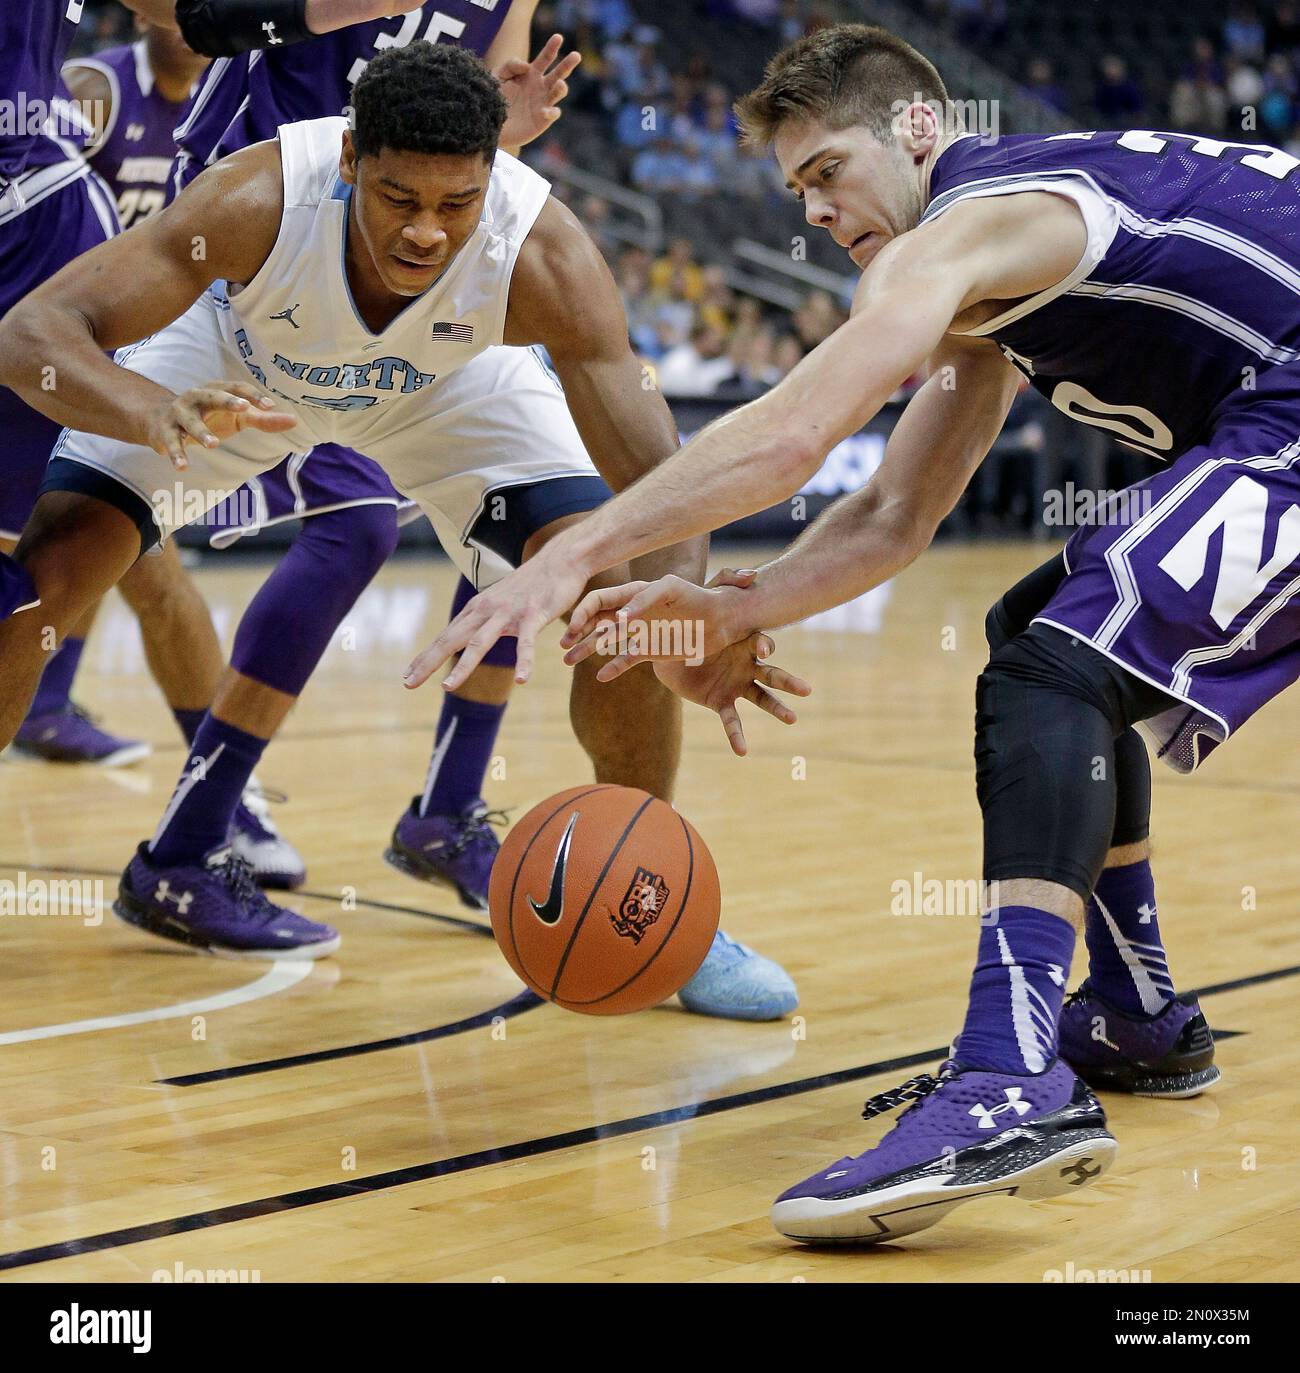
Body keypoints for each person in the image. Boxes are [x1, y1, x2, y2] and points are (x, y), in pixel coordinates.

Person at [408, 21, 1290, 1244]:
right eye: (796, 192)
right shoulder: (1000, 272)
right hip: (1270, 408)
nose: (814, 211)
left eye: (826, 171)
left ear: (918, 130)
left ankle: (1004, 1076)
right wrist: (737, 605)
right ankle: (1135, 1012)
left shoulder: (977, 220)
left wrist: (570, 553)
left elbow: (792, 432)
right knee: (1040, 632)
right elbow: (889, 509)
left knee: (1056, 670)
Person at [0, 42, 798, 1021]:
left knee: (621, 601)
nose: (426, 230)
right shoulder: (253, 200)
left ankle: (657, 897)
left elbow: (659, 473)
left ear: (491, 179)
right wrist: (143, 408)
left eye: (455, 204)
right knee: (47, 574)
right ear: (347, 159)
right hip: (232, 362)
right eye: (398, 198)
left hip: (444, 389)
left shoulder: (541, 250)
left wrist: (675, 619)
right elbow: (32, 332)